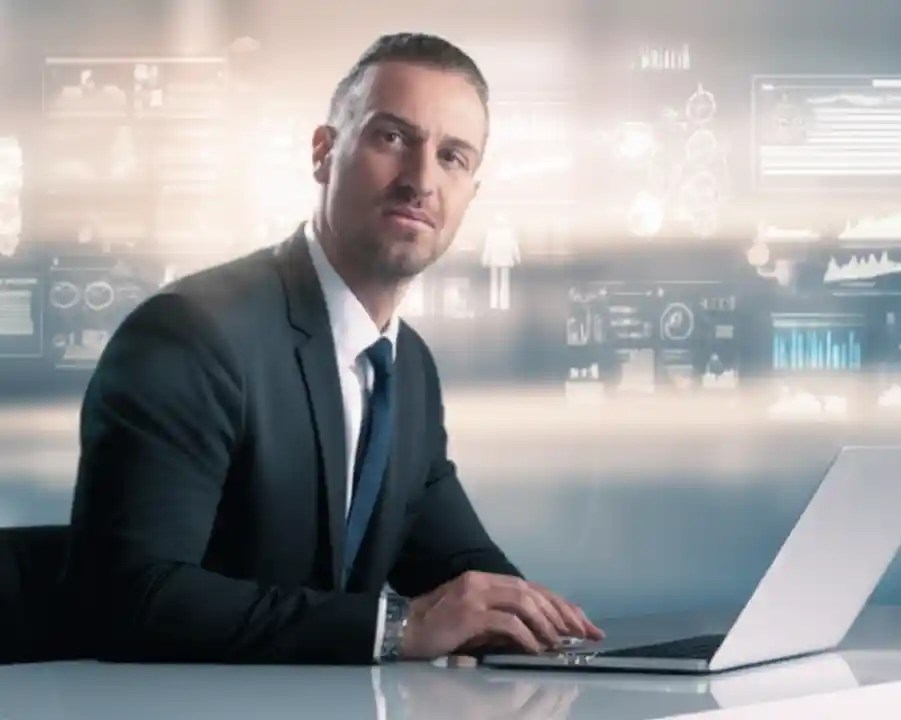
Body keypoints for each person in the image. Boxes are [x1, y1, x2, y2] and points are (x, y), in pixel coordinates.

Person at [64, 32, 603, 664]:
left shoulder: (409, 368)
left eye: (453, 157)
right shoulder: (191, 336)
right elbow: (130, 597)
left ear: (470, 196)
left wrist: (550, 631)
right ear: (324, 151)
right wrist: (396, 629)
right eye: (392, 138)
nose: (421, 180)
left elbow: (463, 573)